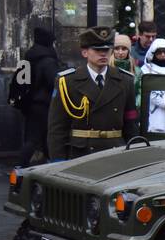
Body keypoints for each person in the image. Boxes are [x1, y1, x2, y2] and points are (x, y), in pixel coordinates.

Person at [47, 26, 139, 161]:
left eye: (107, 50)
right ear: (85, 52)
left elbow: (131, 123)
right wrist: (58, 161)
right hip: (81, 153)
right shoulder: (67, 82)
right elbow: (57, 127)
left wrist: (135, 155)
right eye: (97, 50)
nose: (103, 54)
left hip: (115, 152)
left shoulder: (125, 80)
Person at [16, 27, 59, 166]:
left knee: (40, 138)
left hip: (31, 103)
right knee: (35, 139)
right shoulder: (47, 60)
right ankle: (20, 168)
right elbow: (55, 82)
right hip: (43, 105)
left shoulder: (31, 56)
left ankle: (50, 164)